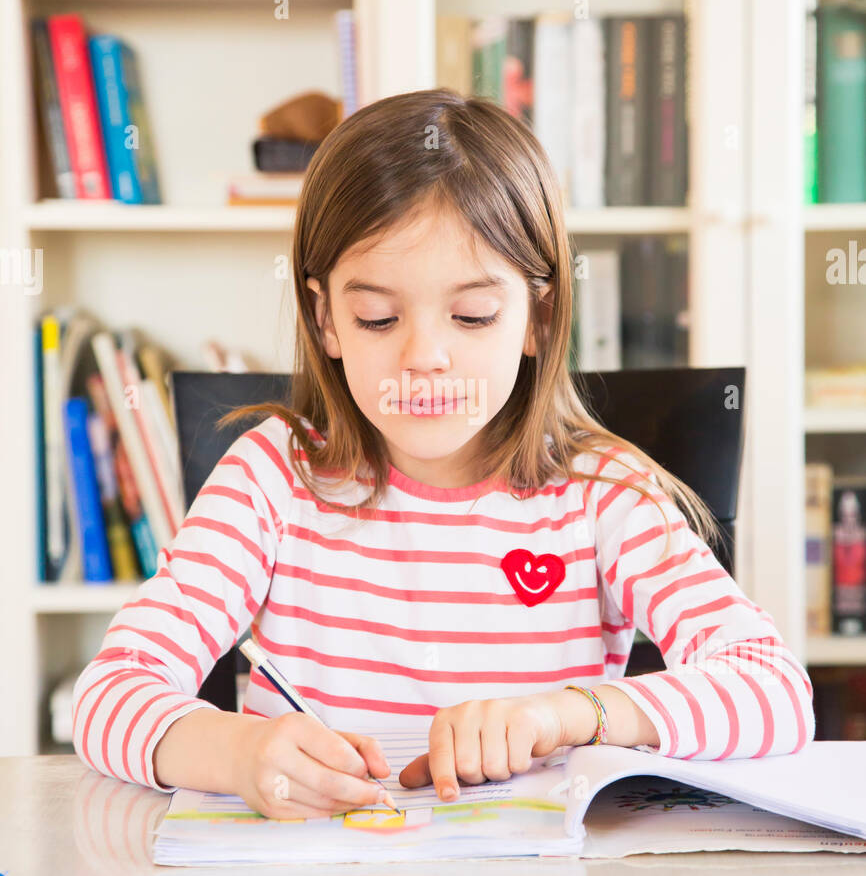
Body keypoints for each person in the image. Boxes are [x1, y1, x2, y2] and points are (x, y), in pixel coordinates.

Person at [71, 89, 815, 817]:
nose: (424, 356)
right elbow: (106, 696)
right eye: (377, 317)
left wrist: (564, 715)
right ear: (326, 319)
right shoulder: (273, 479)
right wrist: (235, 751)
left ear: (537, 315)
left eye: (472, 315)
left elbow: (772, 689)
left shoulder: (601, 492)